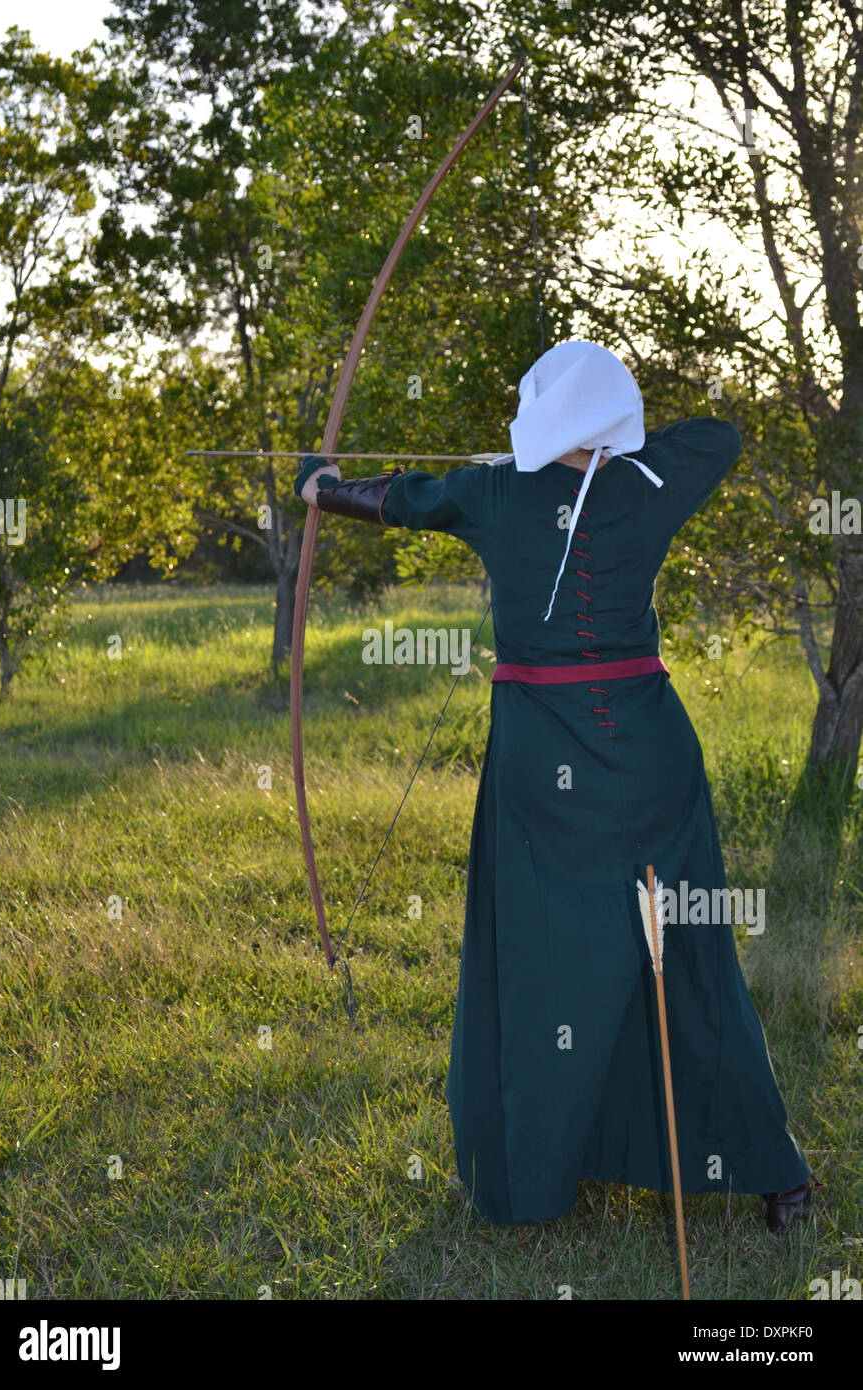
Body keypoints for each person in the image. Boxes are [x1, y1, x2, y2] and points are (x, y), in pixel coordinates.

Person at [294, 340, 817, 1233]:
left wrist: (318, 482)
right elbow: (719, 435)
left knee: (547, 963)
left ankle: (535, 1180)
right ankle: (777, 1179)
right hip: (650, 752)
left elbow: (388, 500)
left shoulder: (493, 492)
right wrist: (609, 448)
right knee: (687, 954)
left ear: (540, 414)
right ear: (611, 414)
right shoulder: (655, 484)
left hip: (544, 757)